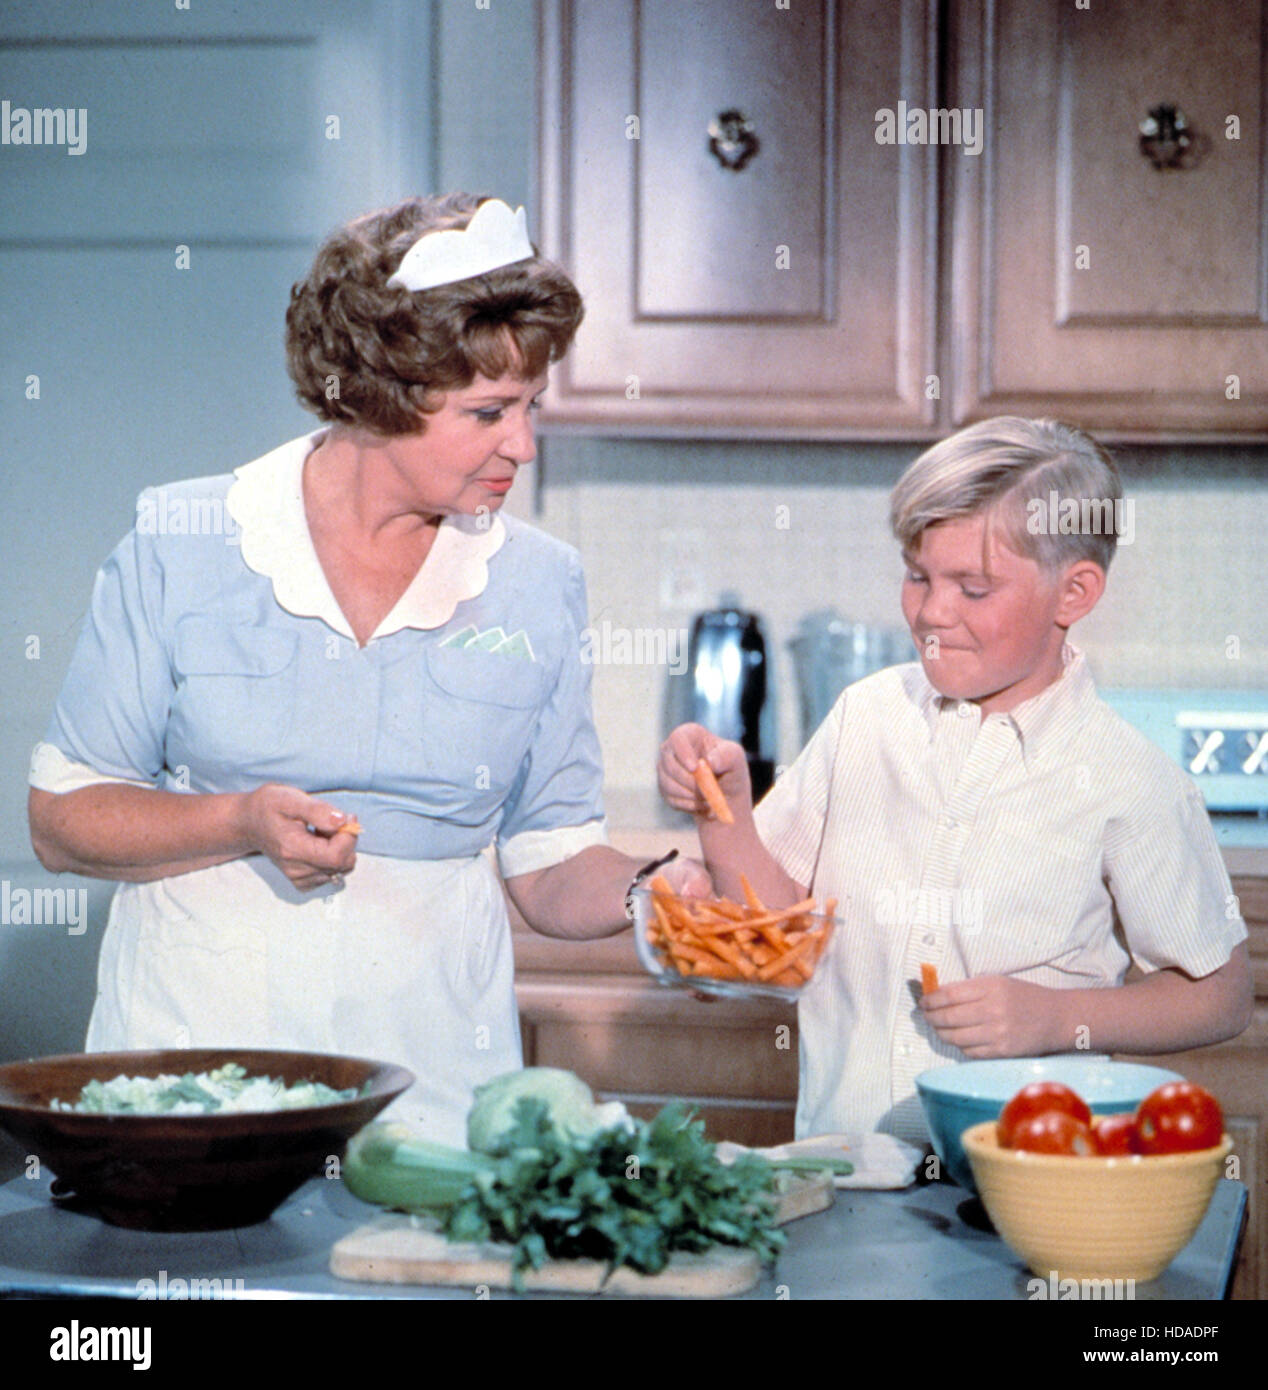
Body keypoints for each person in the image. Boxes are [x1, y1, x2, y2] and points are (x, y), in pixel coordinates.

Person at [28, 192, 702, 1145]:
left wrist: (651, 893)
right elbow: (63, 819)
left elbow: (548, 857)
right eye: (488, 412)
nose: (524, 444)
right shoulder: (183, 541)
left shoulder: (537, 584)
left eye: (528, 408)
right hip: (192, 1087)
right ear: (380, 397)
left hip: (431, 1098)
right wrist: (240, 819)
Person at [658, 416, 1252, 1142]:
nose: (933, 613)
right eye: (918, 576)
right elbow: (774, 935)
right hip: (848, 1165)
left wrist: (1058, 1018)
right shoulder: (865, 718)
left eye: (973, 588)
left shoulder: (1130, 777)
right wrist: (726, 816)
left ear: (1075, 593)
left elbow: (1221, 996)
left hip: (1027, 1188)